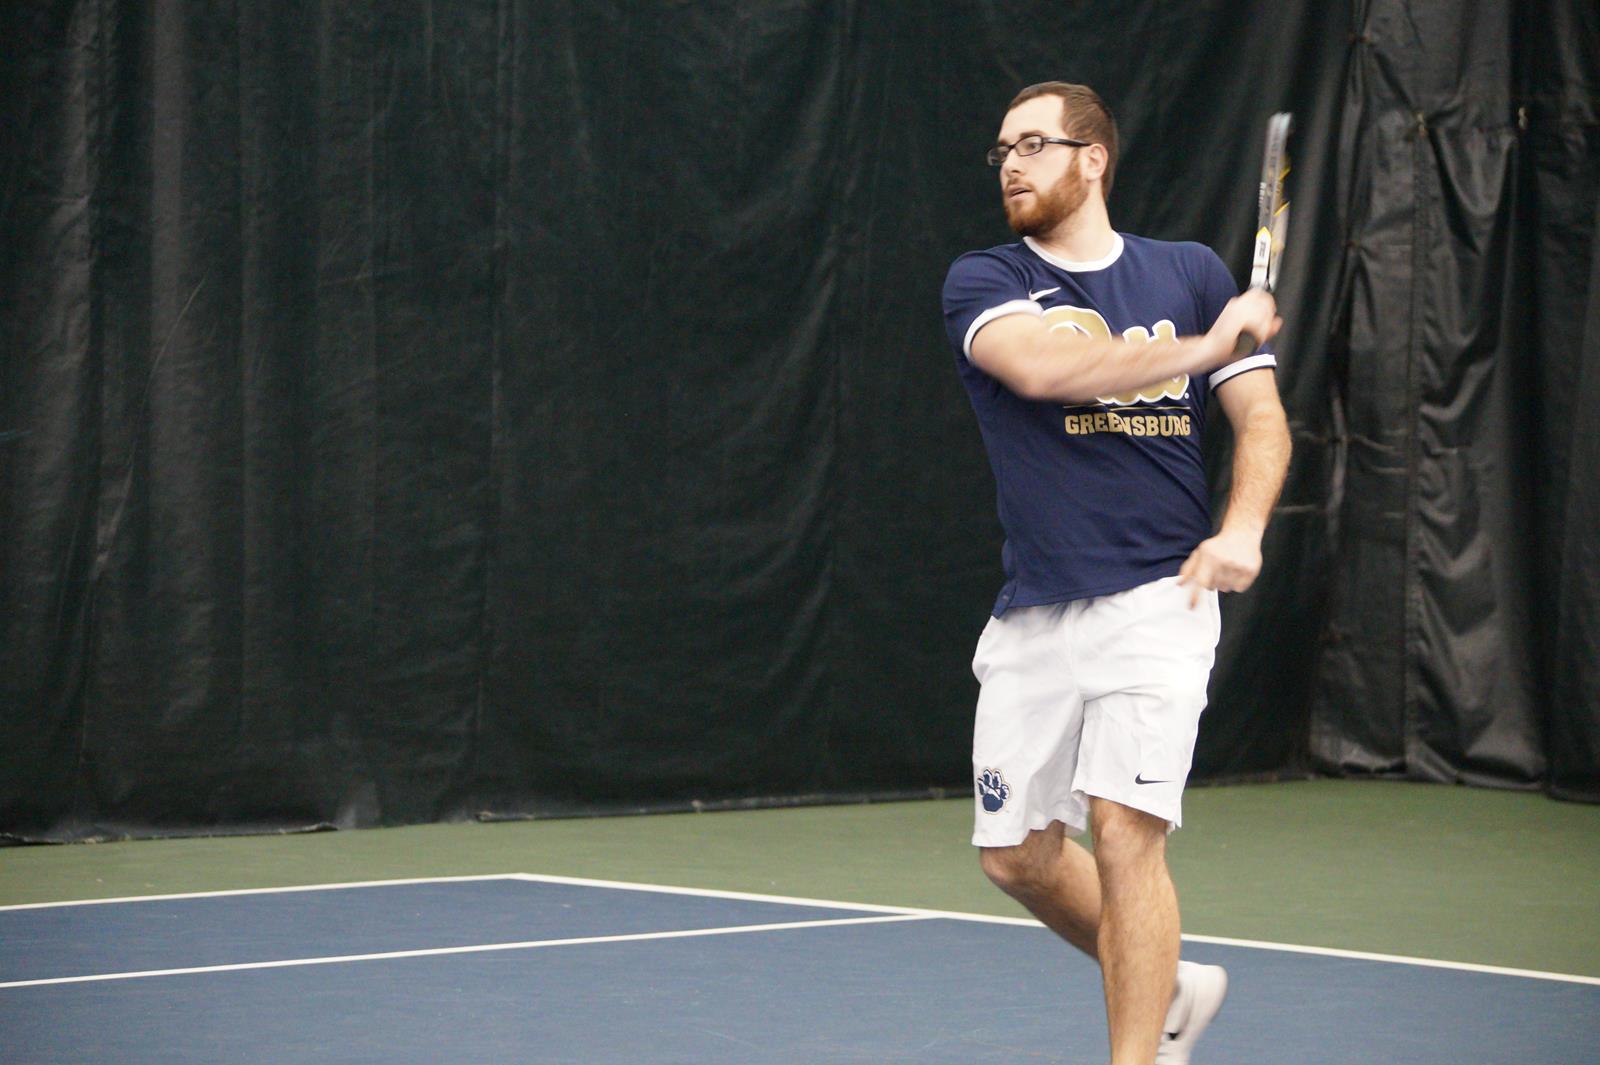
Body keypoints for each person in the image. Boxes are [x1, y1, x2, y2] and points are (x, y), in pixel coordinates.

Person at [941, 82, 1292, 1065]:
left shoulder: (1188, 274)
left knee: (1126, 830)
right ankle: (1166, 981)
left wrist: (1243, 529)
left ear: (1092, 159)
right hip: (1035, 606)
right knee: (1016, 856)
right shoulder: (986, 279)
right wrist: (1206, 344)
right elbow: (1045, 371)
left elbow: (1261, 421)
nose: (1011, 165)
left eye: (1034, 145)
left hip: (1159, 598)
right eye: (1002, 150)